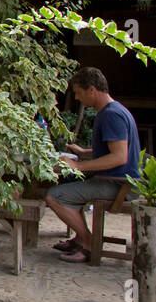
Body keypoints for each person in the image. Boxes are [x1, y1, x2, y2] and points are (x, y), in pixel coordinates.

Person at [46, 66, 140, 264]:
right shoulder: (115, 109)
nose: (78, 98)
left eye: (79, 93)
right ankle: (80, 238)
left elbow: (119, 157)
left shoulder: (110, 115)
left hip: (119, 185)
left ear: (92, 90)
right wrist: (84, 153)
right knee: (70, 186)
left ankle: (89, 244)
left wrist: (79, 166)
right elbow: (114, 150)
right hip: (117, 180)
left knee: (54, 196)